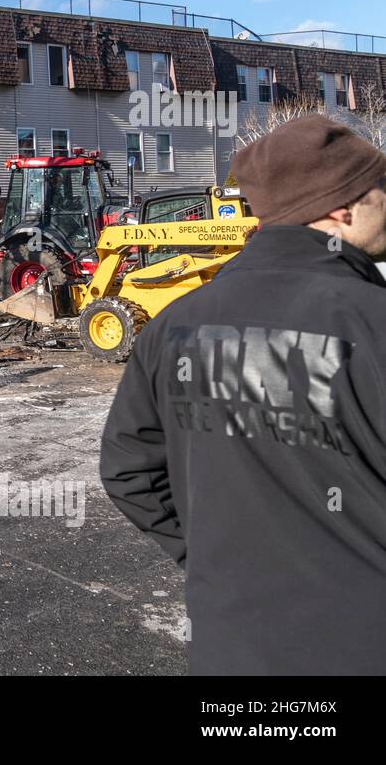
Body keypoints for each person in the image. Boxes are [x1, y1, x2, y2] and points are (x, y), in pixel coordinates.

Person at [101, 113, 386, 675]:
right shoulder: (374, 324)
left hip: (234, 649)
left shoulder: (174, 324)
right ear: (342, 207)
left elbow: (128, 469)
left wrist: (210, 558)